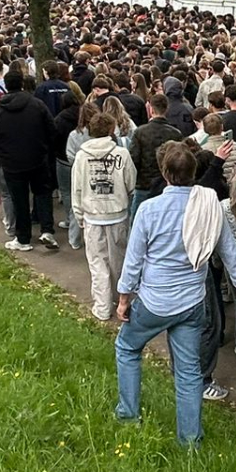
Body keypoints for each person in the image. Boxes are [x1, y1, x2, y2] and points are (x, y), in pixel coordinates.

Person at [114, 142, 236, 446]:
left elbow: (134, 258)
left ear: (165, 173)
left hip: (155, 299)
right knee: (190, 372)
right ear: (195, 172)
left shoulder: (149, 209)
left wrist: (124, 298)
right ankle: (190, 440)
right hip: (193, 301)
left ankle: (128, 415)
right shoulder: (208, 206)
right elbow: (230, 251)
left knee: (127, 348)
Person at [0, 70, 60, 252]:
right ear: (22, 83)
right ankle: (47, 230)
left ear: (6, 85)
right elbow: (51, 129)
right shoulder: (37, 105)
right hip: (37, 158)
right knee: (42, 194)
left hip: (11, 162)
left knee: (20, 199)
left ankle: (23, 238)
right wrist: (44, 148)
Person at [69, 111, 135, 320]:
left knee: (97, 262)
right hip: (117, 213)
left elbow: (77, 189)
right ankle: (123, 301)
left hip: (92, 215)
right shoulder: (121, 154)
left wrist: (79, 215)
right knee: (119, 261)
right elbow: (131, 183)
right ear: (110, 130)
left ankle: (102, 306)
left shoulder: (81, 156)